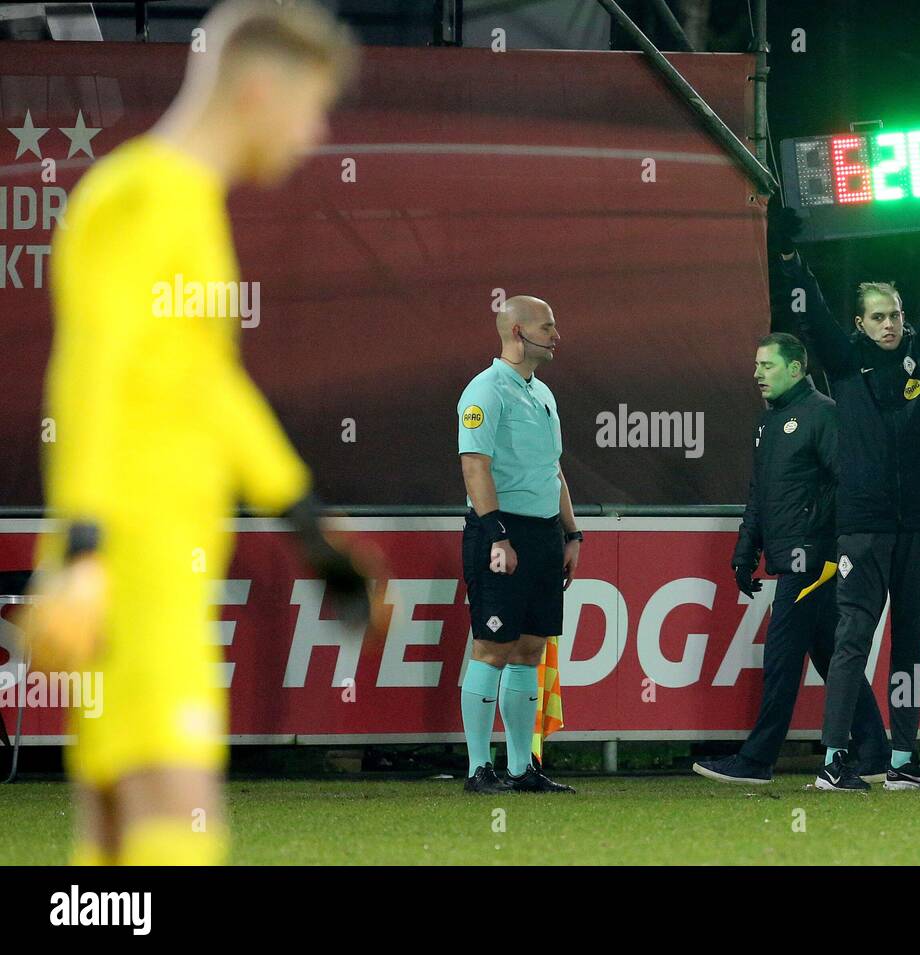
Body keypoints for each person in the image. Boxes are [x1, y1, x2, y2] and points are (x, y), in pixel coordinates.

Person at [25, 0, 374, 864]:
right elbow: (90, 378)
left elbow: (208, 388)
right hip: (130, 564)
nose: (315, 131)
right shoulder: (150, 196)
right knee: (176, 816)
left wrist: (306, 523)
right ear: (259, 89)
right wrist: (87, 547)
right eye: (311, 105)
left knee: (113, 833)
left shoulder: (177, 201)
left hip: (135, 558)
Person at [771, 209, 920, 792]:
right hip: (864, 525)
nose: (889, 324)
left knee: (912, 644)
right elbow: (810, 314)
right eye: (878, 317)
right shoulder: (843, 357)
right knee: (853, 639)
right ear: (859, 324)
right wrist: (790, 262)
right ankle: (835, 761)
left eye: (896, 314)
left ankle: (903, 761)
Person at [693, 333, 889, 786]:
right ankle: (876, 753)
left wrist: (827, 542)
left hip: (814, 561)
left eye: (768, 365)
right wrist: (746, 551)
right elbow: (759, 494)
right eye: (757, 364)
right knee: (826, 654)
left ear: (796, 369)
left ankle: (758, 759)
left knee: (782, 657)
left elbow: (850, 484)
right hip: (790, 558)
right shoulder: (770, 422)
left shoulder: (823, 415)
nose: (758, 373)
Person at [457, 295, 580, 795]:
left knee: (530, 648)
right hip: (500, 531)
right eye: (547, 327)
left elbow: (552, 470)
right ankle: (477, 770)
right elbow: (474, 466)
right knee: (491, 647)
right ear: (517, 333)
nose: (556, 335)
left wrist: (571, 533)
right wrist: (497, 536)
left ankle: (519, 768)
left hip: (544, 533)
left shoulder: (542, 393)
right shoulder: (484, 391)